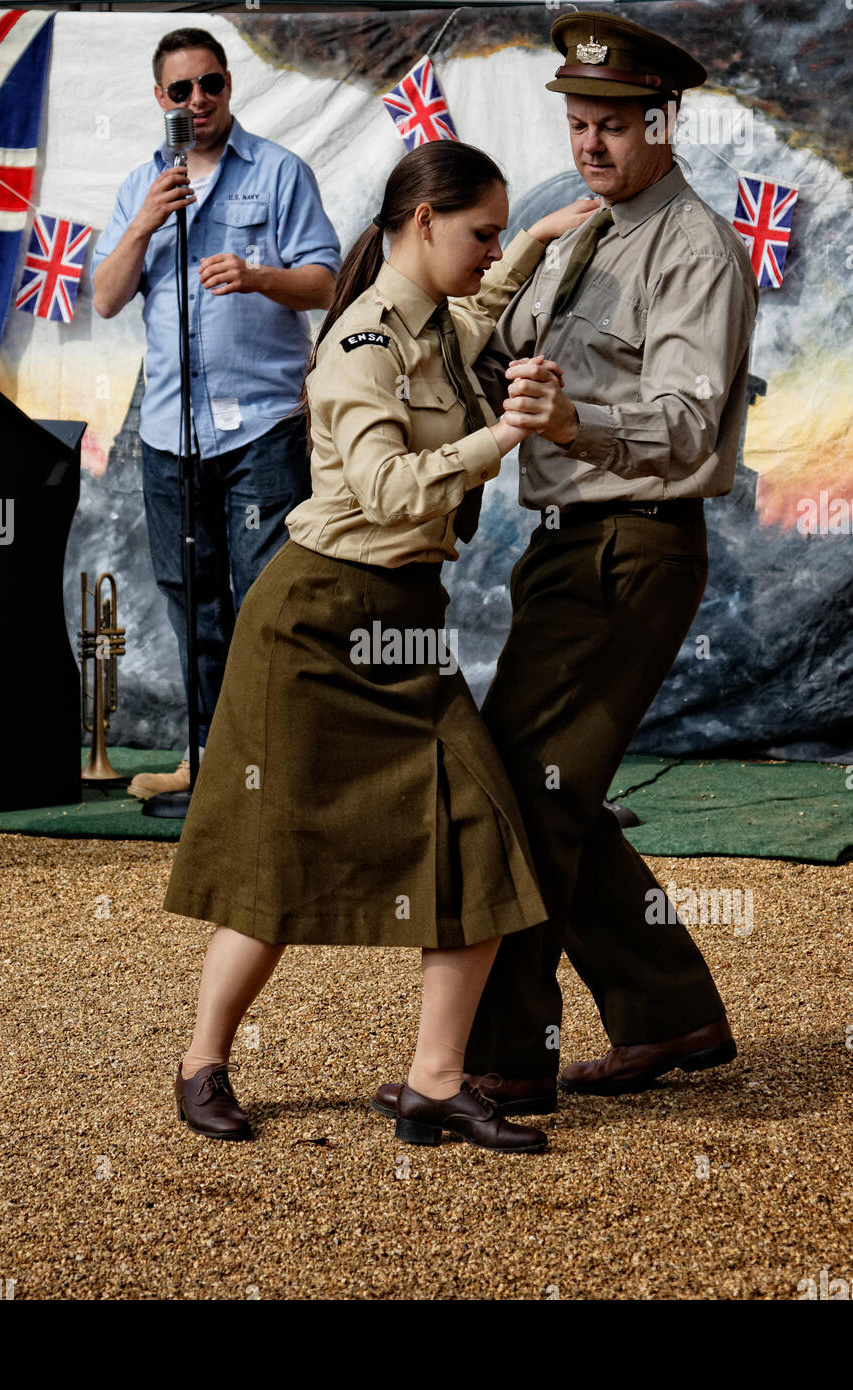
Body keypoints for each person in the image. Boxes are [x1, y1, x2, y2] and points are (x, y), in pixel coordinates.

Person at [161, 139, 597, 1153]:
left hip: (406, 618)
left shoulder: (438, 317)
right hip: (315, 622)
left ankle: (433, 1081)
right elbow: (391, 490)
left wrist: (531, 239)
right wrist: (507, 436)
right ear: (423, 222)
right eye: (479, 232)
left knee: (483, 834)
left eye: (496, 233)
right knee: (273, 866)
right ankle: (200, 1061)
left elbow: (474, 317)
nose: (487, 252)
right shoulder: (360, 343)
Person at [371, 11, 759, 1121]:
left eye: (614, 125)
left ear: (662, 121)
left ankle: (502, 1061)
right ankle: (668, 1013)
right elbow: (501, 358)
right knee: (557, 794)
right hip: (567, 550)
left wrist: (575, 420)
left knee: (525, 801)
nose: (590, 143)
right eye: (580, 122)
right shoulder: (578, 228)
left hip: (629, 547)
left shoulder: (692, 247)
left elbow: (686, 424)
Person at [92, 27, 341, 803]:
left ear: (230, 86)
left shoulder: (279, 172)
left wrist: (262, 276)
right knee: (189, 593)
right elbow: (103, 298)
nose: (197, 101)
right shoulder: (143, 185)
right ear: (159, 99)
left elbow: (328, 282)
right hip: (172, 433)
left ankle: (282, 765)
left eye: (212, 85)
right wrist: (146, 223)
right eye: (181, 90)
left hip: (262, 426)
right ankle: (209, 763)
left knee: (270, 596)